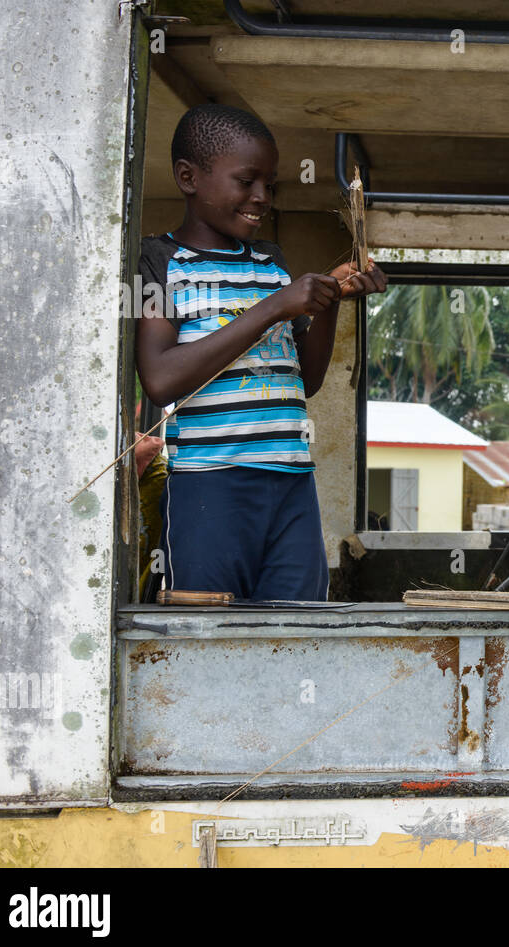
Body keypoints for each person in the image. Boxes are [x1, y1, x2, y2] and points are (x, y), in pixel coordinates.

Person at [135, 103, 386, 600]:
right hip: (209, 487)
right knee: (208, 635)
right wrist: (275, 306)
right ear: (189, 178)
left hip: (292, 483)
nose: (262, 197)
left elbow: (305, 382)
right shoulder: (159, 262)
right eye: (247, 181)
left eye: (270, 185)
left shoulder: (271, 262)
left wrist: (330, 301)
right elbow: (161, 379)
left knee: (296, 630)